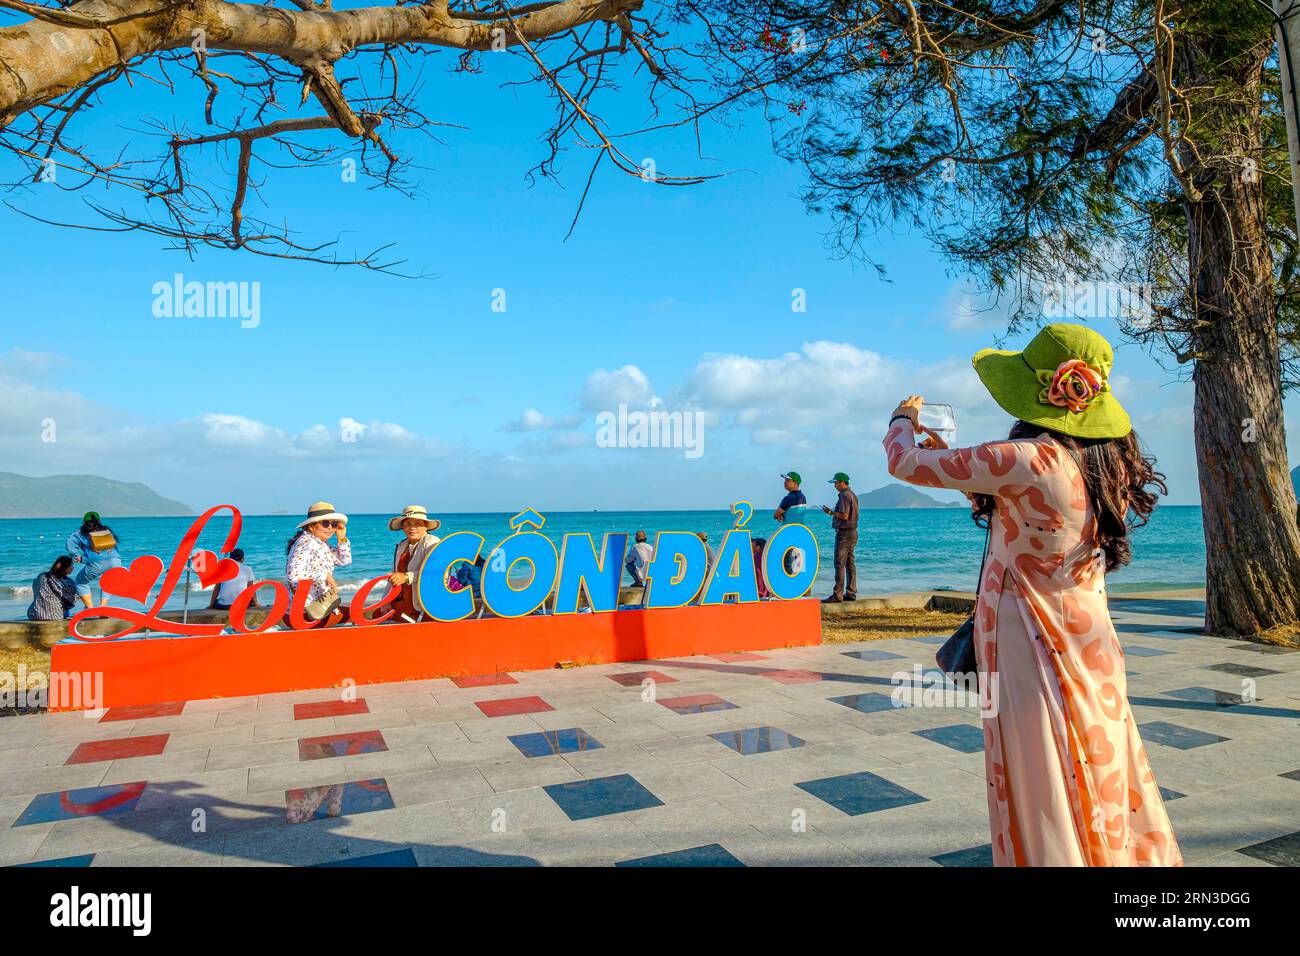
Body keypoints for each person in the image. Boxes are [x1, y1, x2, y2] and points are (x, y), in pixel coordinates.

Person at [883, 322, 1182, 867]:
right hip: (1090, 644)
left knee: (1038, 774)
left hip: (1030, 645)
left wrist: (903, 418)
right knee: (1098, 767)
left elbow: (903, 463)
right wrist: (950, 454)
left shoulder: (1032, 458)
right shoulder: (1098, 462)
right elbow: (1022, 500)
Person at [285, 501, 351, 622]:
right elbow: (293, 574)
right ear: (311, 526)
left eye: (334, 524)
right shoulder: (307, 543)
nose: (331, 528)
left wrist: (341, 538)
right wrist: (325, 576)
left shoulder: (321, 543)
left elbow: (344, 560)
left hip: (319, 606)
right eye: (325, 523)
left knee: (349, 616)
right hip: (307, 611)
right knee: (351, 617)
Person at [384, 505, 441, 623]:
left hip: (423, 606)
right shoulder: (402, 545)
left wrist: (406, 577)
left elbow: (437, 572)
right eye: (408, 524)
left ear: (426, 526)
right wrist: (386, 601)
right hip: (400, 604)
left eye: (417, 524)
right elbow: (393, 577)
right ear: (403, 527)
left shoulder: (432, 542)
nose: (412, 528)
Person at [65, 511, 123, 610]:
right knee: (108, 582)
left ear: (84, 522)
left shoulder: (80, 533)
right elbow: (115, 547)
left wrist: (76, 556)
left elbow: (69, 544)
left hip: (97, 563)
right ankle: (103, 607)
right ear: (99, 521)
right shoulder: (107, 531)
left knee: (80, 581)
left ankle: (90, 609)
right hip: (116, 561)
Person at [821, 472, 858, 603]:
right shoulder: (852, 495)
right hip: (852, 533)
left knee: (840, 563)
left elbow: (844, 515)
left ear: (843, 482)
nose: (835, 486)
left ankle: (837, 595)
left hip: (844, 534)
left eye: (836, 483)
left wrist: (830, 512)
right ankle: (851, 592)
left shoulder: (844, 495)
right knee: (850, 563)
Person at [27, 556, 77, 621]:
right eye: (71, 566)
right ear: (65, 568)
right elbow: (71, 603)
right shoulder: (68, 582)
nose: (73, 568)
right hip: (53, 616)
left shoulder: (41, 576)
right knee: (67, 611)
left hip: (33, 614)